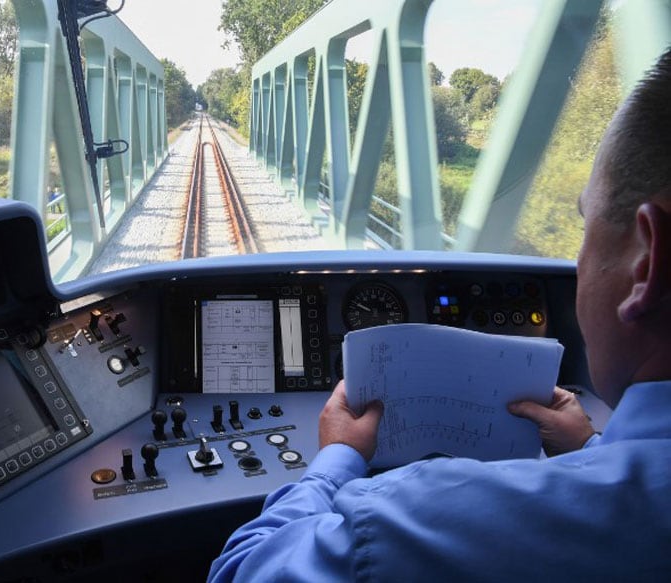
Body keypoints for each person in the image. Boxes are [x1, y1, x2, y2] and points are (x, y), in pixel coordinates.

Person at [208, 47, 671, 582]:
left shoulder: (419, 518)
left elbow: (244, 570)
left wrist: (336, 459)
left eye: (586, 228)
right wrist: (591, 447)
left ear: (647, 265)